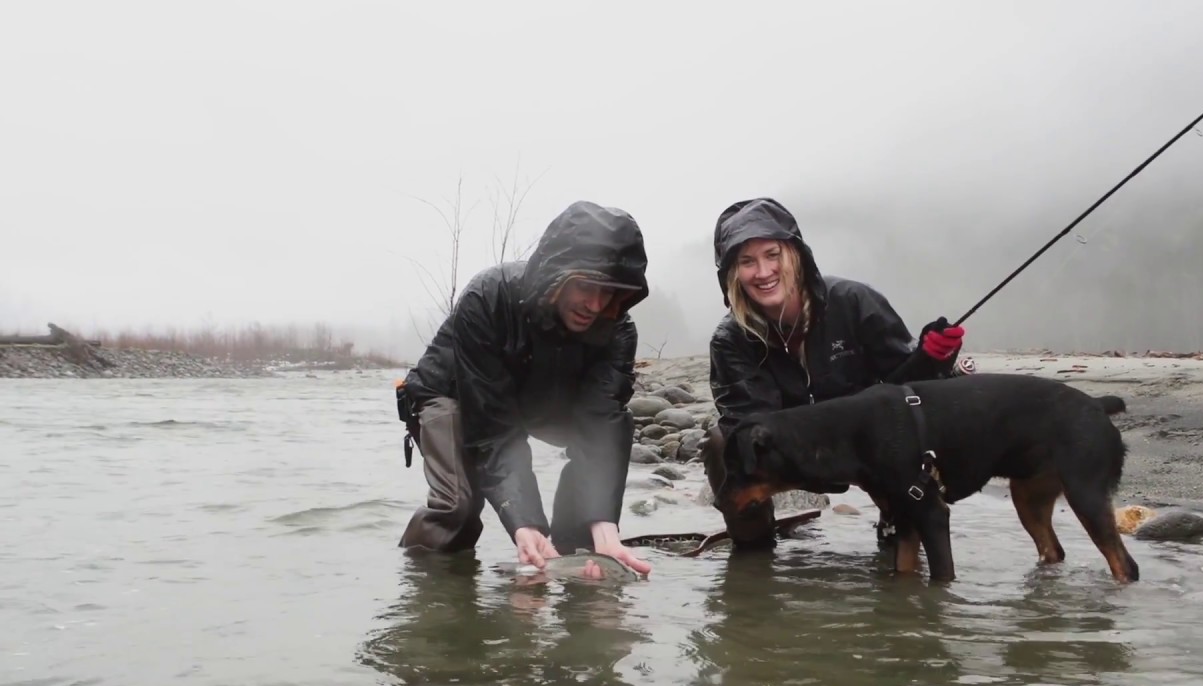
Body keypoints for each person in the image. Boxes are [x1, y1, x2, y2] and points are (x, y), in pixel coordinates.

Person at [394, 200, 653, 579]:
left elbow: (600, 423)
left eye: (610, 292)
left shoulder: (617, 330)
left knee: (598, 482)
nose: (596, 305)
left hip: (535, 393)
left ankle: (569, 556)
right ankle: (425, 586)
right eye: (585, 286)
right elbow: (494, 429)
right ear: (558, 273)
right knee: (459, 508)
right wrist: (525, 522)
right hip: (452, 391)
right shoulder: (487, 299)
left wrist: (603, 524)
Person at [702, 197, 974, 547]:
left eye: (773, 255)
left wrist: (933, 359)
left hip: (873, 446)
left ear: (795, 255)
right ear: (732, 274)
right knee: (722, 441)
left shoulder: (855, 301)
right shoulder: (729, 340)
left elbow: (907, 391)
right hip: (794, 454)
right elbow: (748, 424)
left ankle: (900, 522)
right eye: (747, 262)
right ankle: (753, 551)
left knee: (909, 430)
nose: (763, 272)